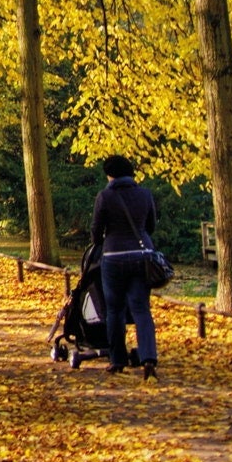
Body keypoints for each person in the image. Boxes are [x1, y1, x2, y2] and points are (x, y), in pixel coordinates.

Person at [90, 154, 159, 379]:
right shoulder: (145, 194)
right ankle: (148, 358)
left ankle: (117, 359)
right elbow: (150, 225)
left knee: (114, 310)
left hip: (114, 256)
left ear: (110, 175)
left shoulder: (105, 196)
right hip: (142, 256)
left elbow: (96, 230)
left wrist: (100, 243)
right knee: (141, 308)